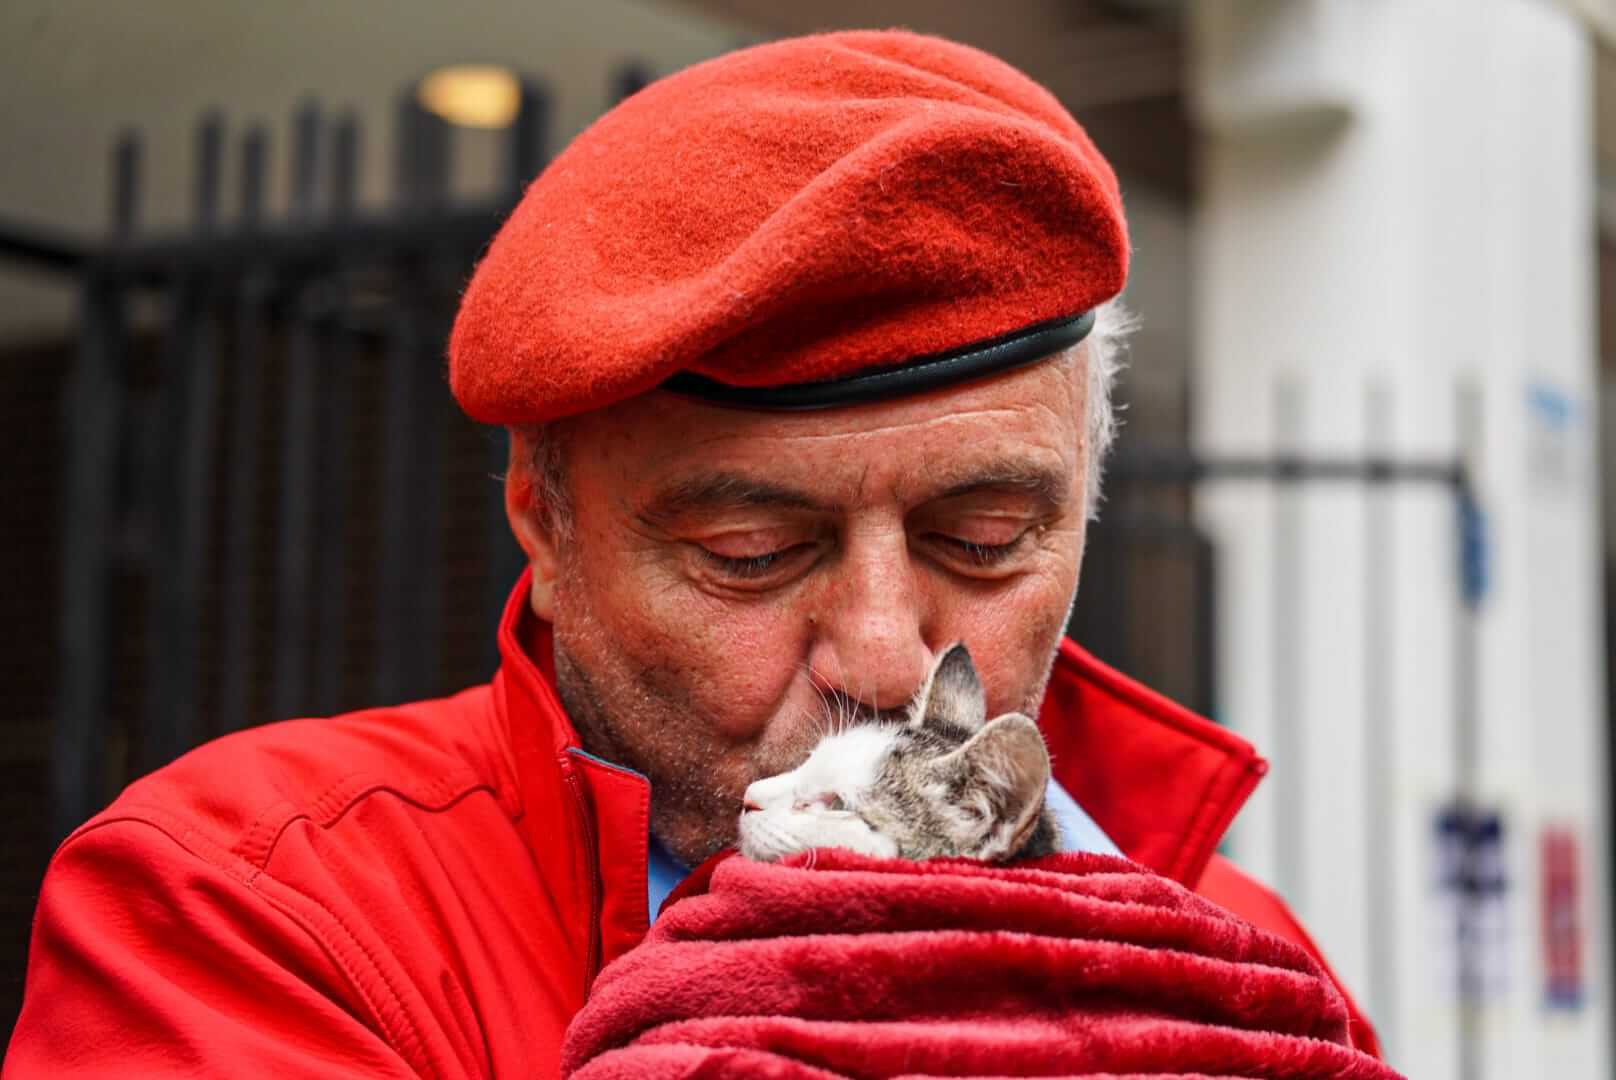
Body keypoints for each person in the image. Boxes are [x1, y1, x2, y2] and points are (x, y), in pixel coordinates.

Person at [5, 29, 1381, 1076]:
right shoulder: (251, 912)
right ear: (544, 524)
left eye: (985, 536)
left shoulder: (1244, 952)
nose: (888, 656)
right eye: (751, 550)